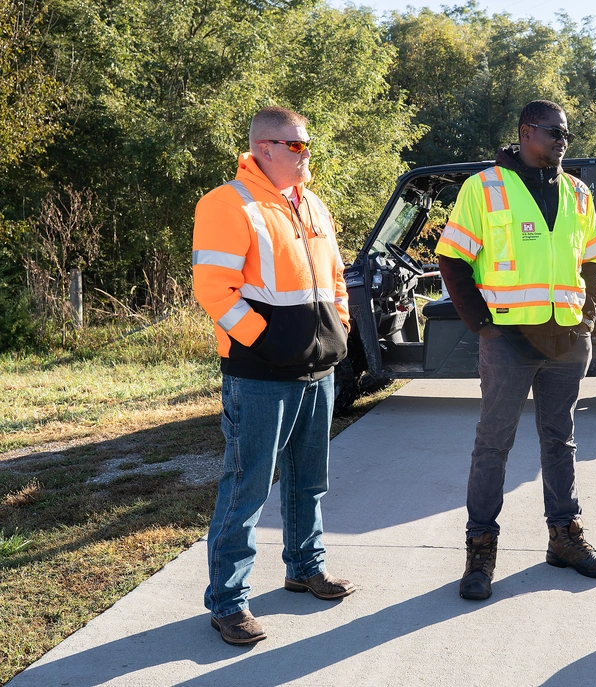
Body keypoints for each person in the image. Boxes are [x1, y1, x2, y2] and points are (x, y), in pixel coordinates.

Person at [435, 100, 596, 601]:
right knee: (493, 444)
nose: (562, 142)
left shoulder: (578, 191)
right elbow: (453, 259)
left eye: (567, 135)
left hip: (564, 339)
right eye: (553, 133)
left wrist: (586, 317)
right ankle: (480, 548)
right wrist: (483, 327)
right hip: (508, 339)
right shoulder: (485, 187)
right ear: (525, 132)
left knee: (561, 441)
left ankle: (564, 538)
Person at [192, 106, 355, 646]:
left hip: (318, 370)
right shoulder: (227, 204)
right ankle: (228, 602)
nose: (306, 155)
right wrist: (270, 343)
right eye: (297, 146)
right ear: (265, 147)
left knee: (310, 481)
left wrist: (340, 331)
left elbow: (334, 280)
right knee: (247, 489)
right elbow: (214, 290)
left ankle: (305, 568)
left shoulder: (314, 205)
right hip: (260, 374)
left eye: (306, 146)